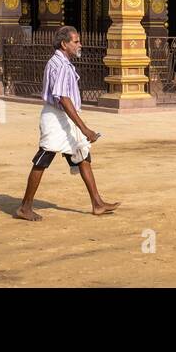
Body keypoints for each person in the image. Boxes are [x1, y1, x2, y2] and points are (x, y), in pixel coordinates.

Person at [16, 26, 119, 220]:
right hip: (57, 117)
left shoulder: (60, 62)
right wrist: (84, 127)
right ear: (64, 44)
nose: (80, 44)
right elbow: (63, 98)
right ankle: (25, 206)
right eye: (76, 41)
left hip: (64, 115)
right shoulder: (61, 65)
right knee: (44, 158)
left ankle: (97, 203)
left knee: (82, 154)